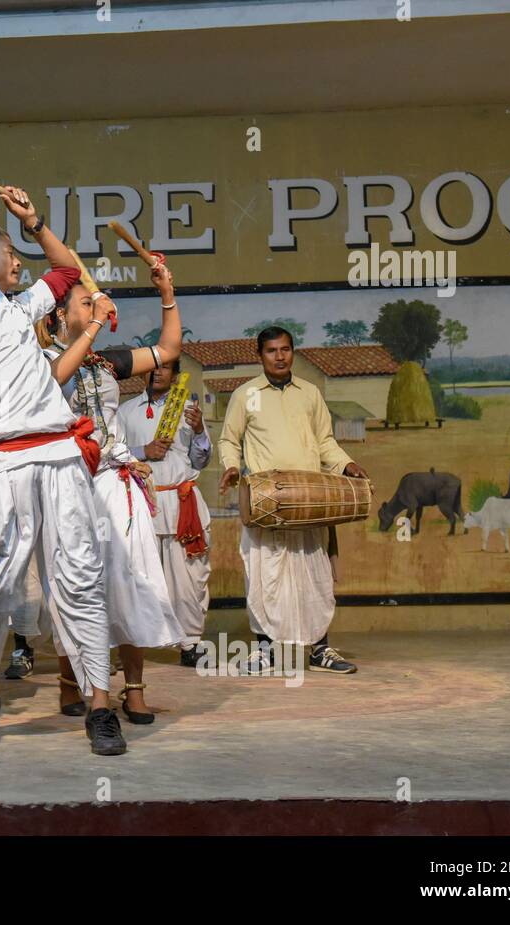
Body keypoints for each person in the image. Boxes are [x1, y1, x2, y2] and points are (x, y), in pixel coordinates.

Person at [0, 180, 127, 756]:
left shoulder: (22, 308)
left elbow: (69, 273)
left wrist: (34, 220)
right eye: (12, 254)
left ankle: (99, 703)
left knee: (80, 577)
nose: (22, 261)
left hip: (58, 455)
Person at [40, 255, 183, 724]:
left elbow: (169, 347)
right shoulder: (38, 360)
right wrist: (95, 325)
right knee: (76, 587)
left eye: (96, 300)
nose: (97, 304)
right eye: (86, 300)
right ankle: (71, 680)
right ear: (61, 313)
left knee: (130, 581)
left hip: (115, 482)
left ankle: (135, 688)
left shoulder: (108, 361)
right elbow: (59, 377)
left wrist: (166, 292)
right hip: (69, 484)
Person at [217, 326, 369, 674]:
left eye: (285, 349)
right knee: (264, 577)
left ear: (293, 352)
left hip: (309, 500)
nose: (280, 356)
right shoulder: (246, 394)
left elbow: (326, 441)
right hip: (266, 501)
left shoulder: (310, 394)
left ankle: (320, 651)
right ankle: (265, 652)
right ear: (260, 355)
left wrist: (346, 463)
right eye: (272, 351)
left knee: (313, 576)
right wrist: (230, 467)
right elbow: (229, 440)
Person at [116, 363, 213, 668]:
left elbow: (201, 458)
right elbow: (113, 452)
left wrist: (198, 430)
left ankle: (190, 643)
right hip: (141, 499)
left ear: (175, 374)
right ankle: (135, 642)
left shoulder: (188, 410)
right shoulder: (126, 411)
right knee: (138, 576)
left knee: (188, 576)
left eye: (165, 369)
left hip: (180, 500)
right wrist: (144, 450)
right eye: (151, 369)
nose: (157, 374)